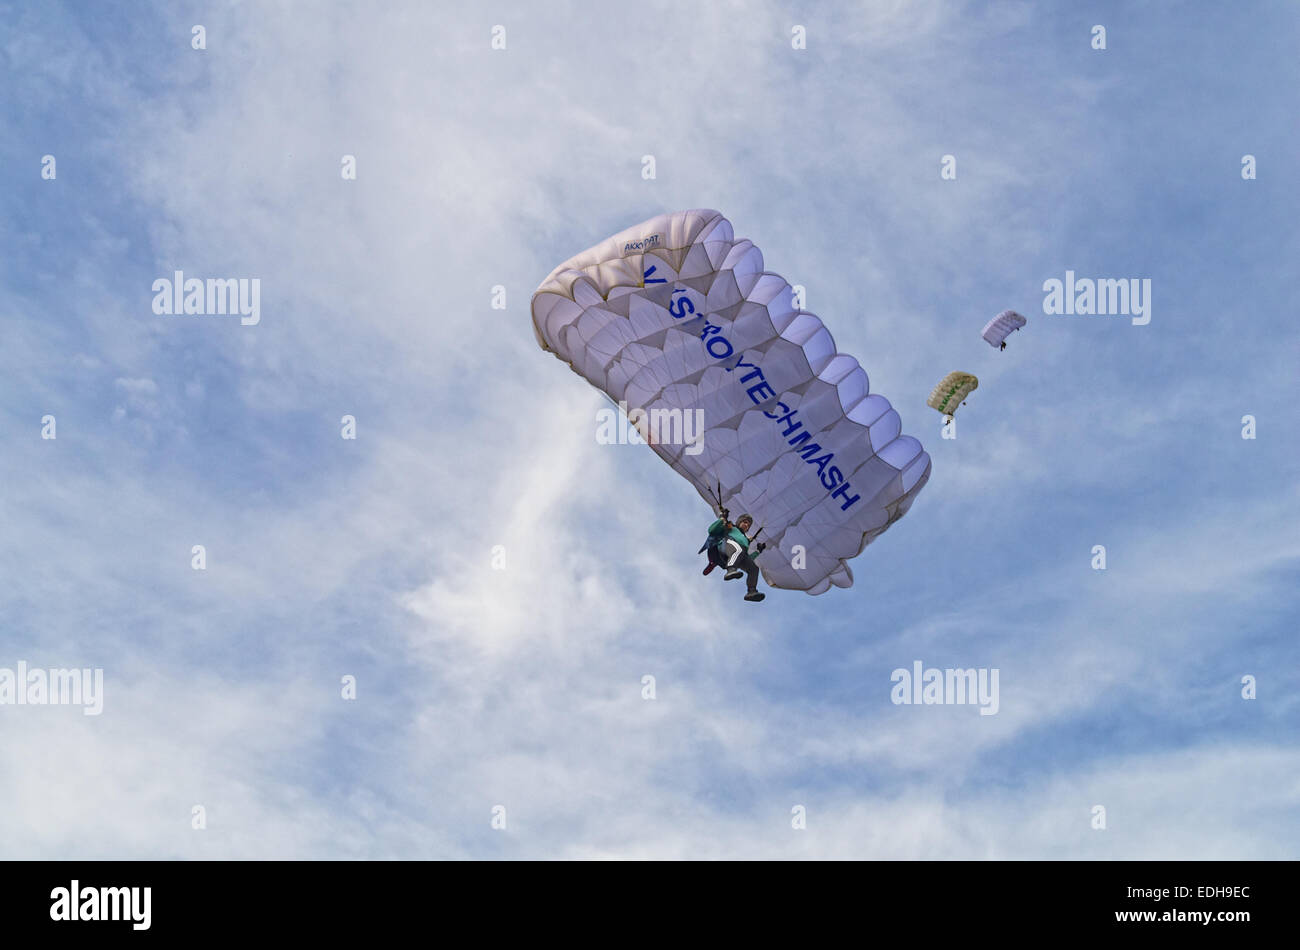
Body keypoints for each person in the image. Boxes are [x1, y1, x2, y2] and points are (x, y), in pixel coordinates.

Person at [700, 513, 767, 602]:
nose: (746, 525)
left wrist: (758, 551)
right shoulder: (731, 527)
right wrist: (722, 519)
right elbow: (711, 530)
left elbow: (746, 557)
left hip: (736, 554)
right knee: (738, 550)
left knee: (753, 568)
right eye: (745, 522)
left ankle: (751, 591)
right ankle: (730, 569)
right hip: (726, 545)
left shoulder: (746, 540)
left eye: (748, 525)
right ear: (739, 522)